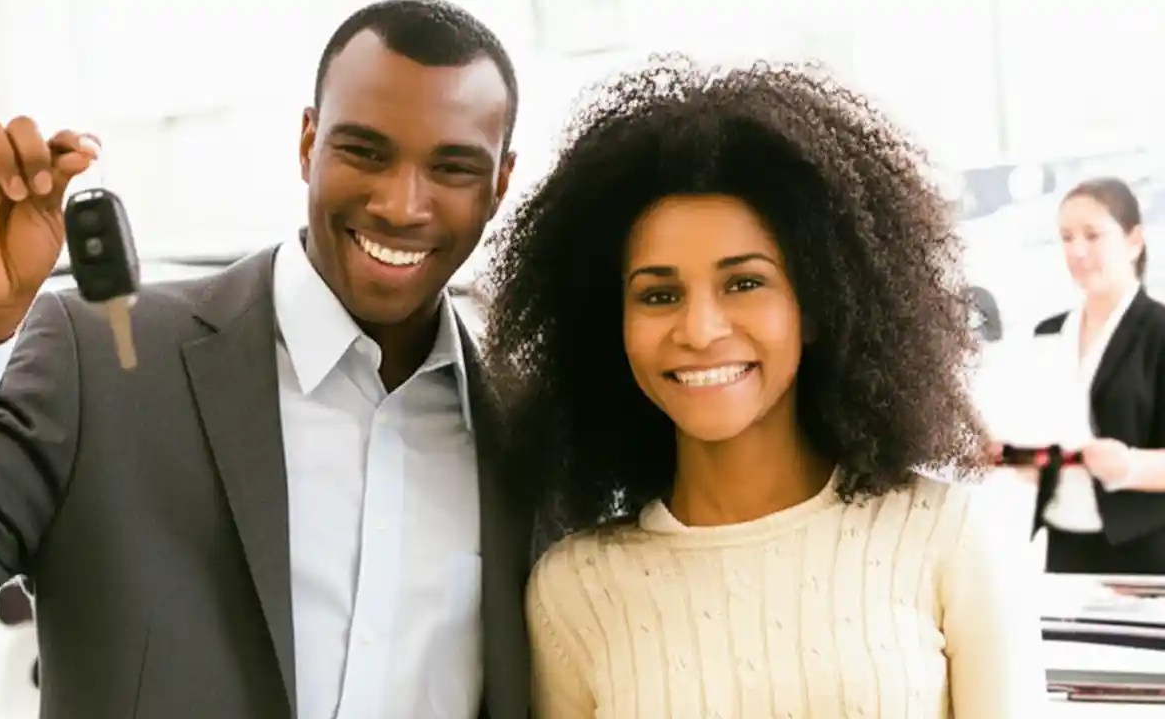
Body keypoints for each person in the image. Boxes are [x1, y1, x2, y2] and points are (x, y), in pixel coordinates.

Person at [0, 1, 534, 717]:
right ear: (307, 142)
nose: (402, 205)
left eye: (452, 167)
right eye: (365, 152)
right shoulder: (99, 364)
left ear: (500, 183)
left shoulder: (529, 436)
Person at [485, 58, 1047, 717]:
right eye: (659, 294)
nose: (699, 328)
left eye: (744, 283)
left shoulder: (945, 535)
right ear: (612, 328)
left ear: (817, 306)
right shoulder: (575, 591)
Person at [1030, 177, 1165, 574]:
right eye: (1066, 237)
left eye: (1092, 235)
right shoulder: (1048, 333)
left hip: (1144, 549)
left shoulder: (1159, 332)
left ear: (1134, 240)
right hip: (1064, 542)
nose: (1077, 251)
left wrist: (1129, 467)